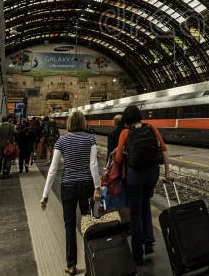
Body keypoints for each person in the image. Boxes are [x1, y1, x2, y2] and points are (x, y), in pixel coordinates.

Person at [40, 111, 100, 275]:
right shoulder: (90, 139)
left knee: (69, 225)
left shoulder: (62, 140)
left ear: (68, 123)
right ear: (83, 123)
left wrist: (45, 194)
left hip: (68, 185)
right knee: (88, 223)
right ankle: (91, 263)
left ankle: (71, 265)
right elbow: (93, 165)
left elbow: (53, 169)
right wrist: (97, 187)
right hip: (87, 185)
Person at [114, 105, 171, 266]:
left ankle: (137, 253)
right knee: (146, 204)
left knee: (135, 212)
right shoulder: (151, 127)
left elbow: (118, 159)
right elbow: (164, 150)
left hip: (135, 175)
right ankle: (149, 242)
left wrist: (125, 154)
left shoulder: (125, 133)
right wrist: (167, 173)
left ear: (126, 119)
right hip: (152, 173)